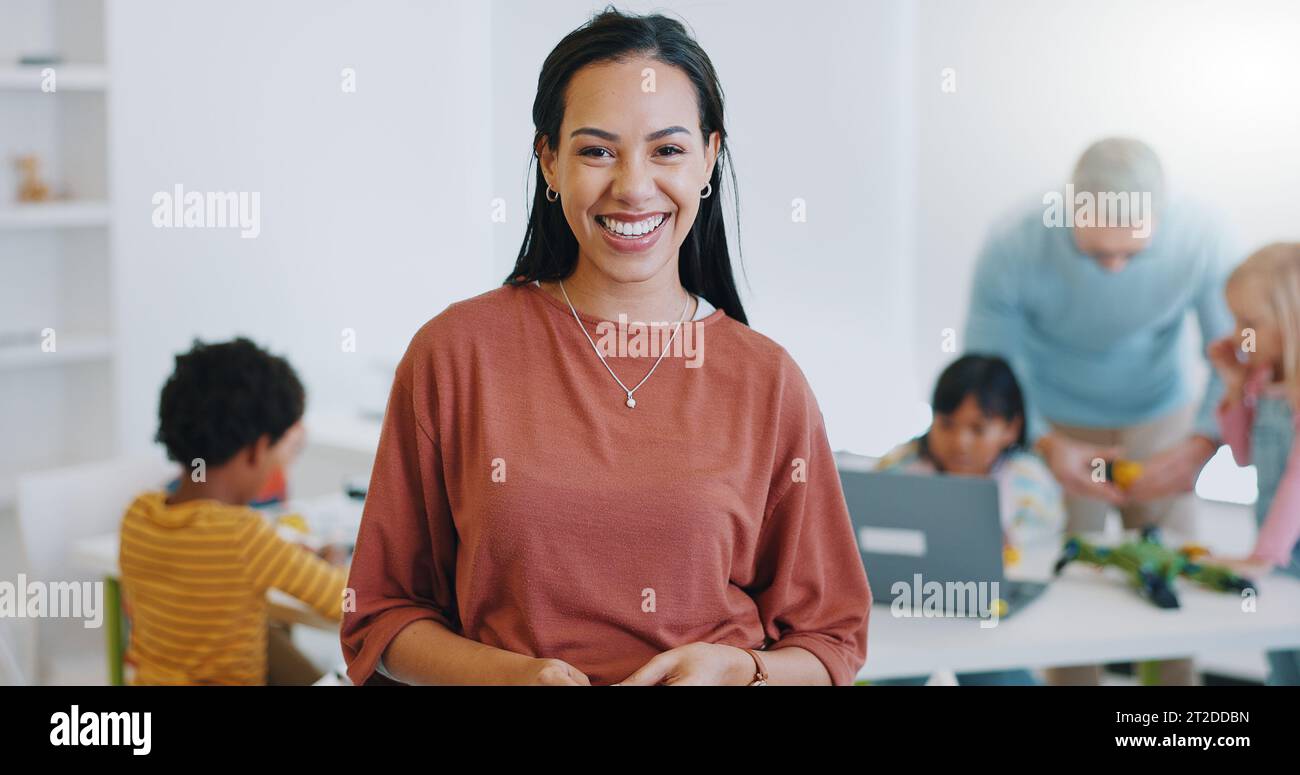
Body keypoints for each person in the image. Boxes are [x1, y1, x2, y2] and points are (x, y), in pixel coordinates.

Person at [340, 9, 871, 686]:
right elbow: (381, 616)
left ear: (709, 157)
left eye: (668, 150)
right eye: (597, 150)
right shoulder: (455, 354)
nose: (634, 186)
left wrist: (738, 670)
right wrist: (509, 678)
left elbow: (831, 642)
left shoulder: (768, 381)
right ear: (549, 160)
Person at [120, 337, 346, 685]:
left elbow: (206, 576)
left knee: (269, 637)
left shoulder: (139, 515)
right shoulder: (242, 536)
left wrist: (291, 558)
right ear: (257, 450)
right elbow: (342, 601)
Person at [874, 355, 1064, 685]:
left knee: (996, 673)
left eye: (978, 428)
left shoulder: (1027, 482)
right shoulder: (901, 467)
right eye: (947, 424)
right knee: (896, 671)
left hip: (991, 616)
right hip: (904, 609)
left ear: (1011, 428)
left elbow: (1043, 547)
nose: (960, 442)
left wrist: (1010, 541)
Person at [1207, 243, 1300, 685]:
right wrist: (1234, 389)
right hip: (1279, 555)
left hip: (1280, 550)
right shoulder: (1263, 380)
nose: (1239, 334)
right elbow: (1245, 459)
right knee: (1282, 667)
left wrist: (1263, 555)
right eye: (1235, 320)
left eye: (1250, 323)